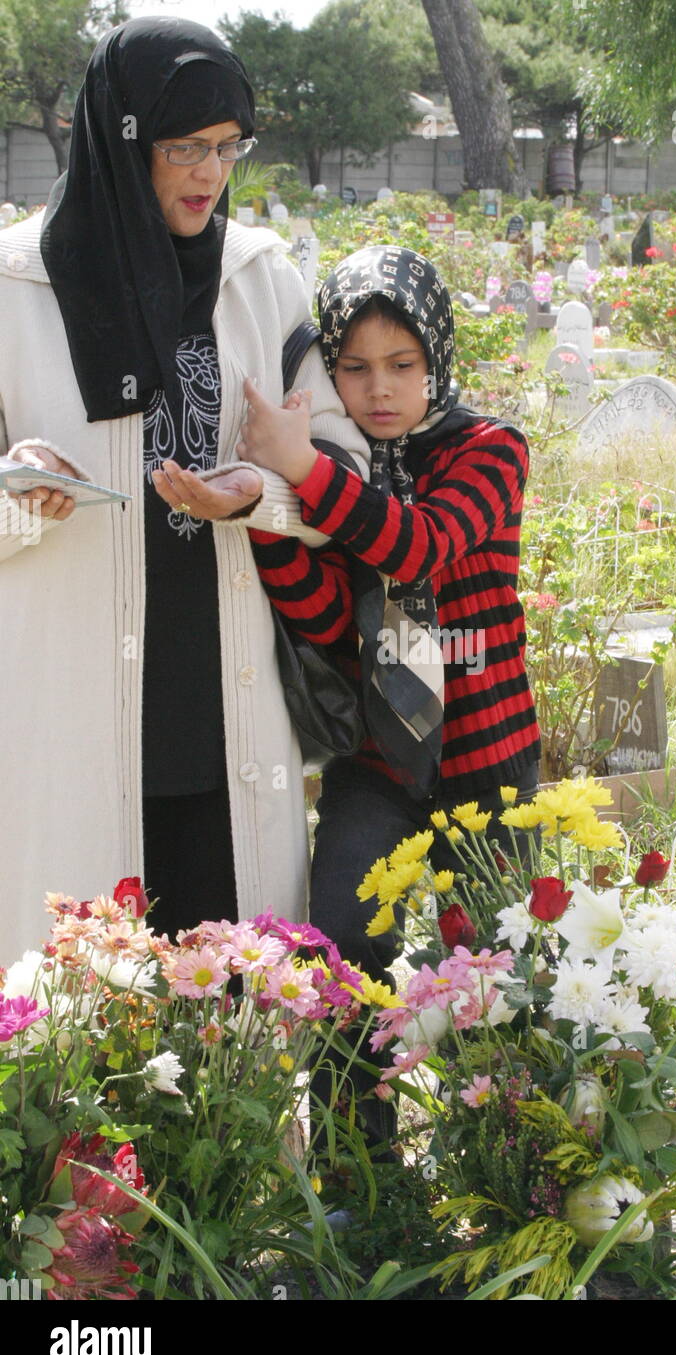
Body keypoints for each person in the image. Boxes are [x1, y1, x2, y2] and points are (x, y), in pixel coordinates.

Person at [0, 18, 368, 959]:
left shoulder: (259, 281)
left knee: (230, 994)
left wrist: (264, 493)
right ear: (121, 138)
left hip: (224, 702)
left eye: (226, 146)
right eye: (182, 148)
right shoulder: (14, 289)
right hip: (69, 700)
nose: (209, 173)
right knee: (86, 1006)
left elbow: (344, 471)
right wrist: (18, 492)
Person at [240, 244, 542, 990]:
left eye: (401, 364)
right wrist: (266, 511)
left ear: (434, 357)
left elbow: (417, 546)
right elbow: (332, 615)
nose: (379, 390)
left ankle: (491, 1110)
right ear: (328, 372)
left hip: (487, 764)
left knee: (491, 976)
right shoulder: (344, 468)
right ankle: (351, 1110)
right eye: (354, 368)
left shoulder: (490, 449)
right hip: (376, 762)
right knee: (339, 947)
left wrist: (304, 475)